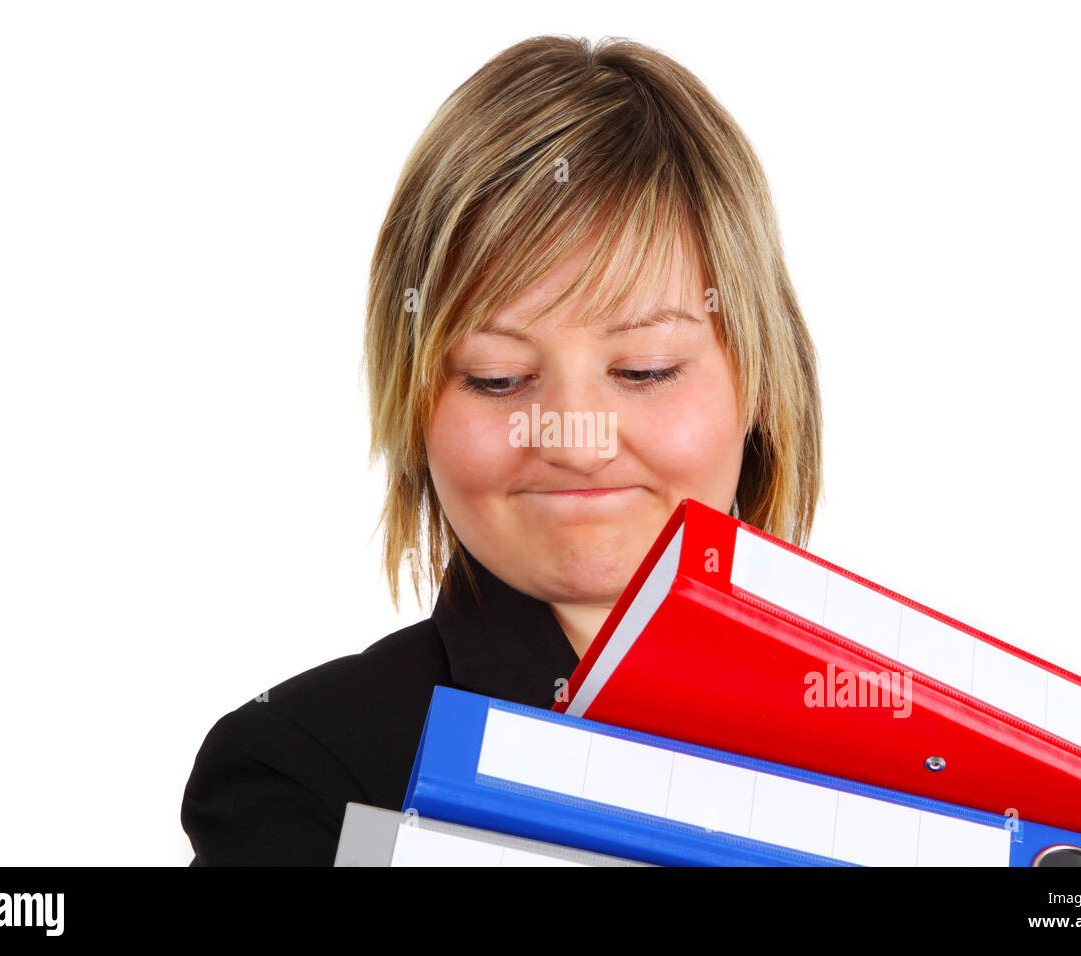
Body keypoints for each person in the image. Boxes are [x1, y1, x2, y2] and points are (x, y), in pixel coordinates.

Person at [180, 34, 822, 866]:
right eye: (497, 377)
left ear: (763, 384)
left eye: (645, 369)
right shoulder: (302, 778)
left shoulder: (914, 737)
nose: (575, 440)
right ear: (413, 401)